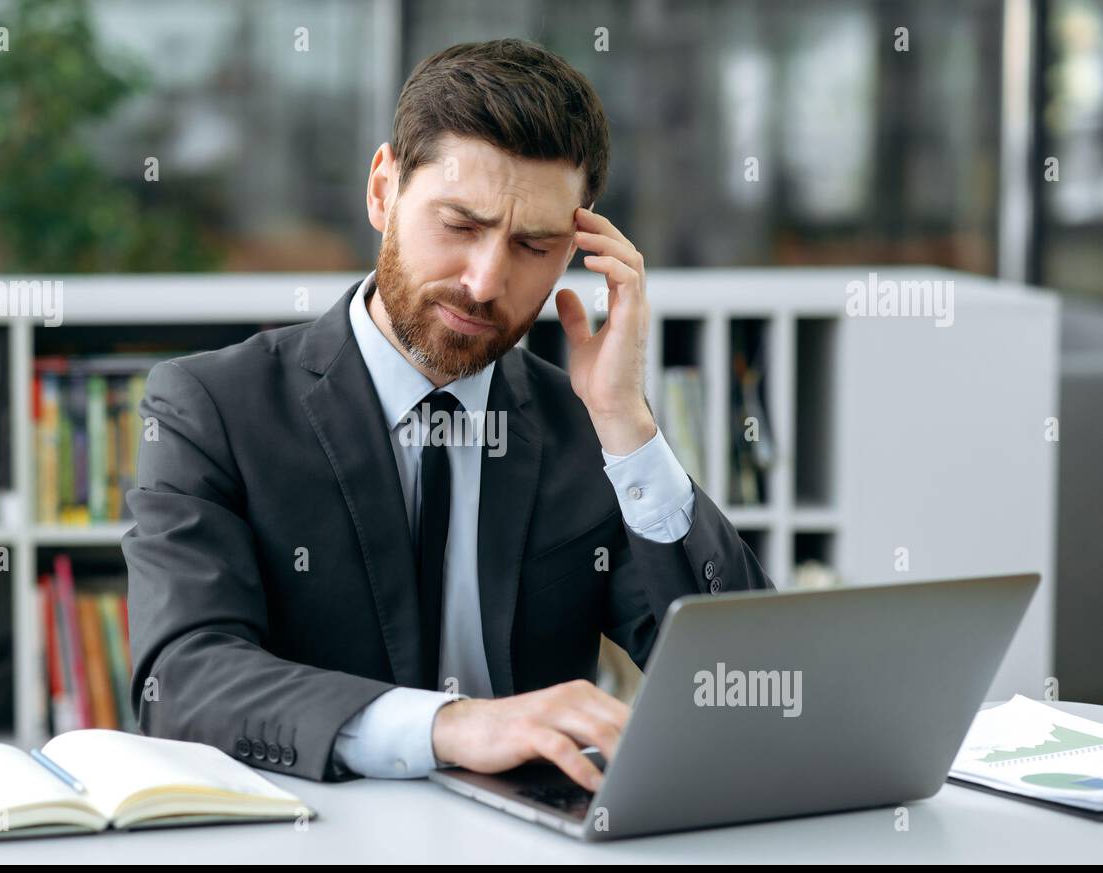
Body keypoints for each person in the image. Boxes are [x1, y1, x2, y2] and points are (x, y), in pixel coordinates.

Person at [123, 39, 772, 792]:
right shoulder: (212, 409)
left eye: (534, 244)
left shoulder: (586, 428)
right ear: (381, 191)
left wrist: (627, 425)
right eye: (460, 225)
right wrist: (451, 726)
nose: (484, 281)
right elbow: (184, 679)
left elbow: (746, 686)